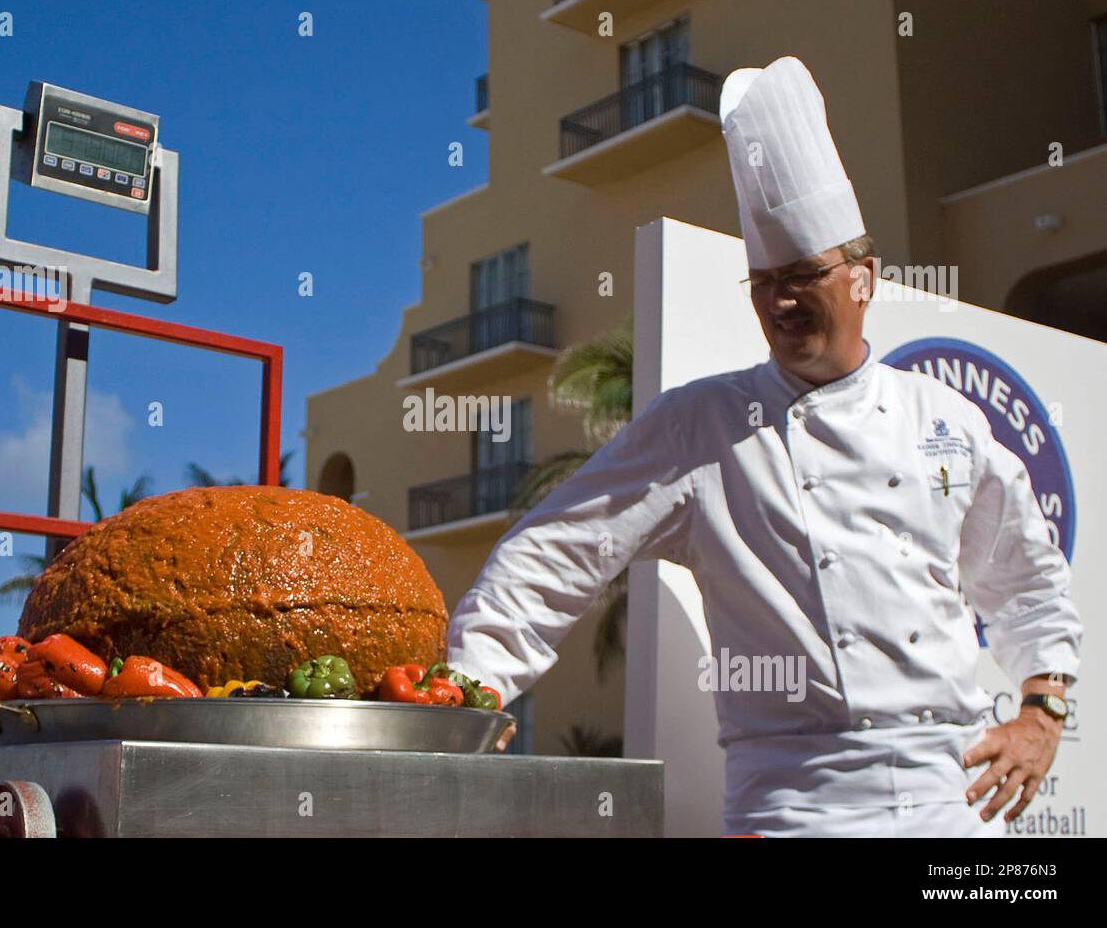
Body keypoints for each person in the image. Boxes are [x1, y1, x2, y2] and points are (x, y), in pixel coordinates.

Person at [448, 57, 1082, 837]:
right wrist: (465, 694)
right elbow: (554, 552)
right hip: (791, 808)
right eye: (762, 280)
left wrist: (1043, 711)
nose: (780, 299)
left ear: (864, 279)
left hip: (948, 806)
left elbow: (1025, 577)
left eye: (803, 274)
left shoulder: (942, 418)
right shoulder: (702, 425)